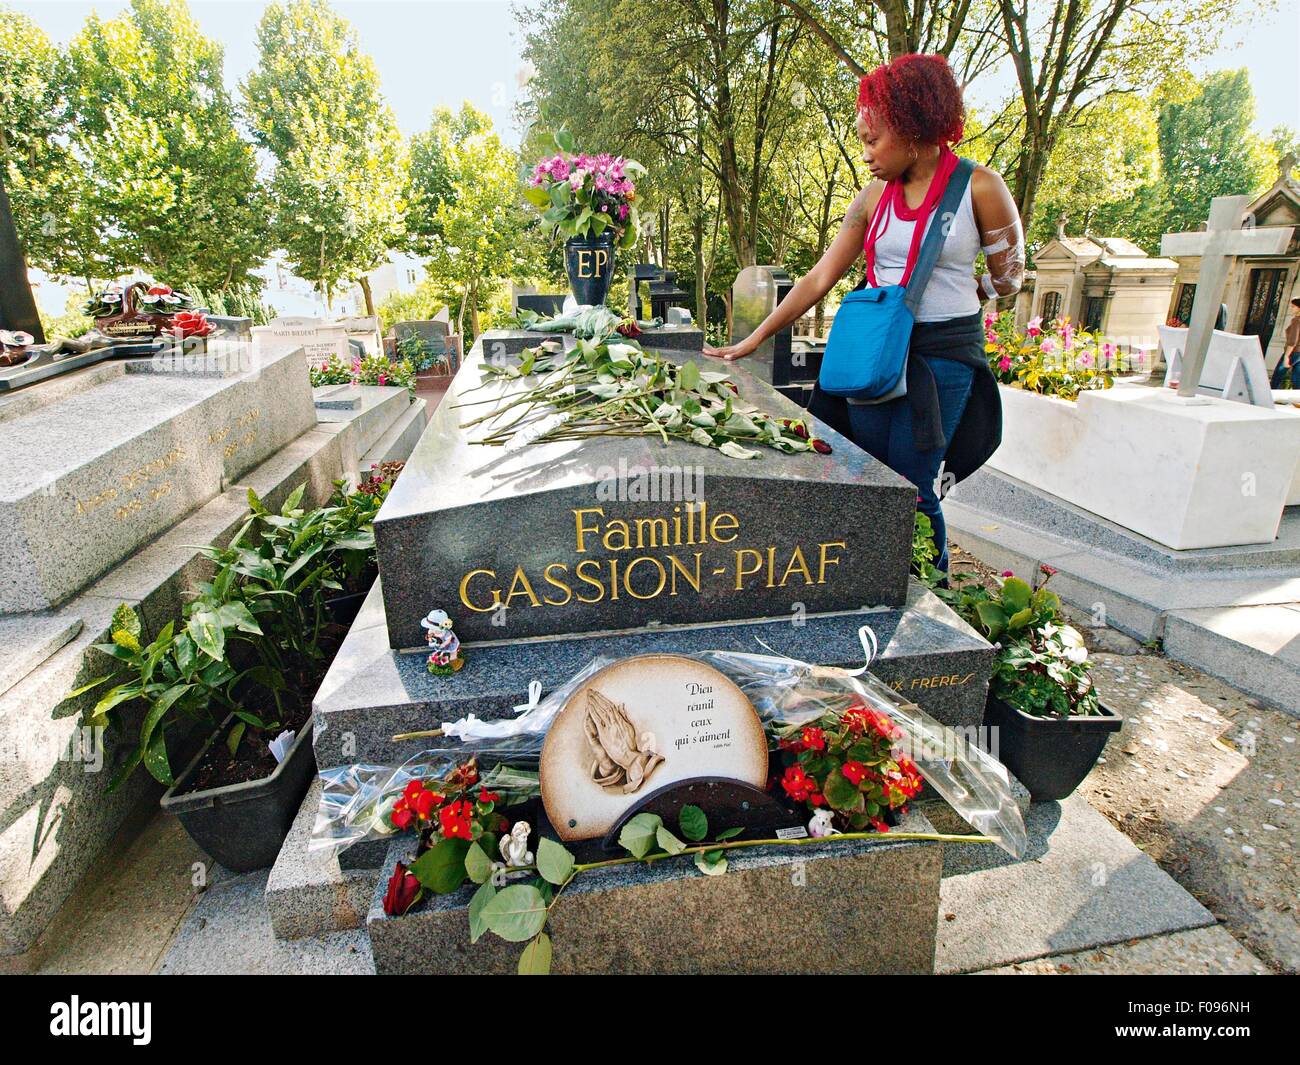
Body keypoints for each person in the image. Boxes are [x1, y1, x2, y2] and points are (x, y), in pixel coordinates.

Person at [704, 54, 1024, 574]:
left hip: (942, 357)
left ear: (912, 126)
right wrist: (752, 340)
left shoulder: (982, 188)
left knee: (914, 486)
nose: (867, 154)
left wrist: (970, 292)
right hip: (874, 353)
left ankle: (929, 589)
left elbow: (1010, 276)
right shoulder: (873, 197)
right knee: (869, 475)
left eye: (874, 141)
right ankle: (861, 576)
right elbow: (818, 278)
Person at [1271, 297, 1300, 390]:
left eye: (1293, 306)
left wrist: (1286, 356)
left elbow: (1293, 340)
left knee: (1277, 377)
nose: (1291, 308)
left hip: (1293, 352)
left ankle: (1271, 395)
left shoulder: (1296, 320)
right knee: (1297, 379)